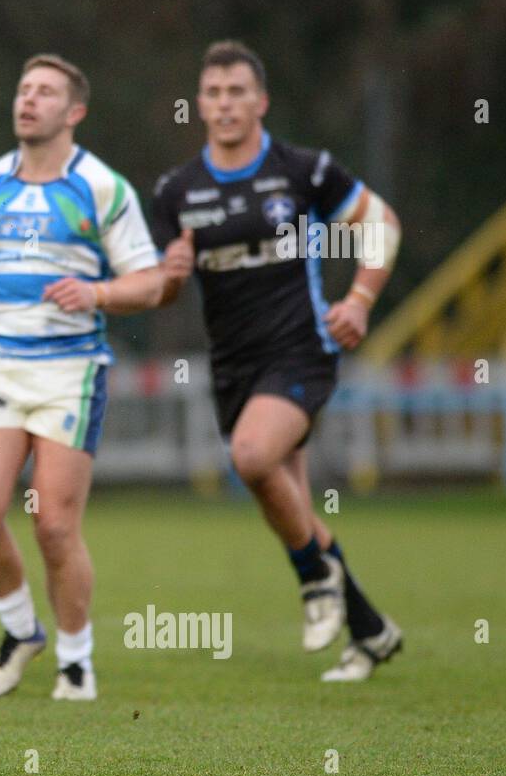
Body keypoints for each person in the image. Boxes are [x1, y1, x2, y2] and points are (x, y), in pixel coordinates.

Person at [152, 40, 403, 682]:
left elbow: (383, 225)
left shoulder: (304, 170)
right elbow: (160, 287)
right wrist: (170, 276)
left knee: (252, 458)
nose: (225, 103)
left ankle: (315, 581)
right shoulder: (177, 191)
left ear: (260, 101)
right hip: (232, 367)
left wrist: (361, 299)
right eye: (213, 93)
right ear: (200, 105)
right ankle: (370, 630)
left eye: (237, 91)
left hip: (301, 351)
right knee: (288, 499)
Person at [0, 54, 164, 700]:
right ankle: (20, 630)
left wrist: (96, 294)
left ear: (75, 112)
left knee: (54, 525)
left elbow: (149, 282)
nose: (29, 99)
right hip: (0, 364)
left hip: (71, 371)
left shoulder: (100, 187)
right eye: (24, 88)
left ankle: (75, 659)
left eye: (45, 92)